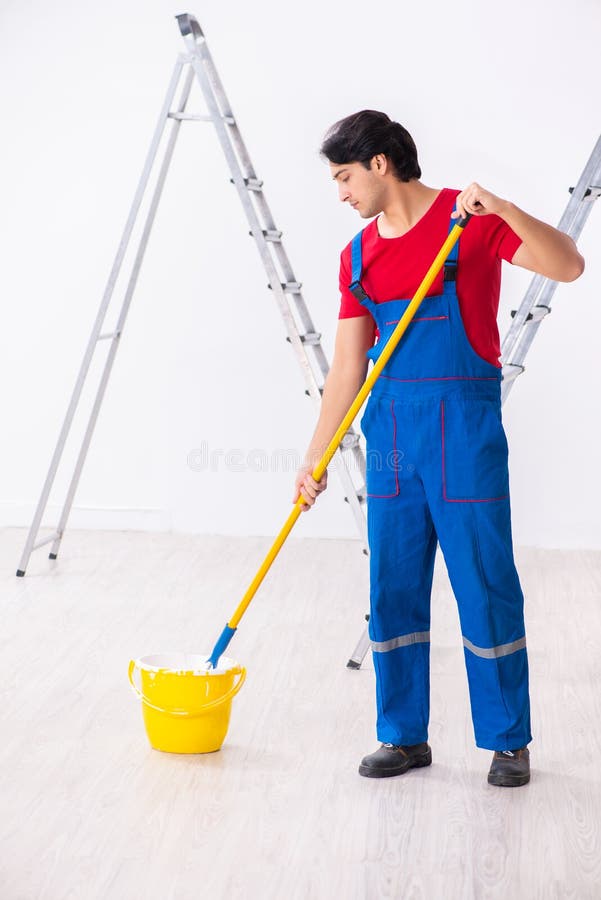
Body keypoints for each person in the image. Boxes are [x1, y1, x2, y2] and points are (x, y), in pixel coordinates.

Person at [293, 110, 584, 787]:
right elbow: (346, 369)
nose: (340, 195)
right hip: (391, 434)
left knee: (483, 581)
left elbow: (566, 266)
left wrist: (506, 208)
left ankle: (507, 738)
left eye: (343, 177)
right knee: (391, 583)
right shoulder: (357, 256)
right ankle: (402, 736)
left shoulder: (471, 222)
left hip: (463, 430)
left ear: (379, 163)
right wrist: (313, 460)